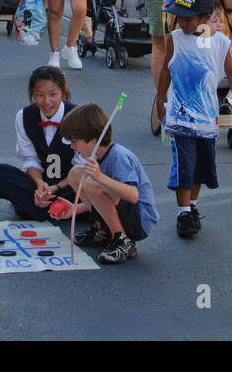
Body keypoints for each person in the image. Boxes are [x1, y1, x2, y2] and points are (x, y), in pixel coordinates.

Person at [157, 0, 232, 238]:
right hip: (181, 118)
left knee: (200, 166)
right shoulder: (175, 39)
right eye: (179, 19)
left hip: (208, 119)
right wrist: (160, 99)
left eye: (187, 19)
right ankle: (183, 212)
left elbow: (231, 73)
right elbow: (166, 69)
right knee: (184, 165)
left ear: (205, 19)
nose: (182, 24)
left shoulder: (220, 42)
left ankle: (192, 206)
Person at [60, 102, 159, 265]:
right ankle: (103, 230)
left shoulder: (119, 156)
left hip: (139, 220)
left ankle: (122, 239)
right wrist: (76, 209)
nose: (72, 146)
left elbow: (133, 195)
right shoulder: (98, 156)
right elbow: (104, 198)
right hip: (125, 210)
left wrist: (100, 177)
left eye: (74, 140)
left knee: (92, 183)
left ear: (92, 140)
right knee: (75, 174)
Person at [0, 66, 79, 221]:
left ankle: (34, 208)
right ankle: (51, 208)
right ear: (32, 94)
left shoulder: (77, 116)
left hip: (69, 186)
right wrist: (40, 183)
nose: (46, 102)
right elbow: (30, 159)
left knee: (93, 189)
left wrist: (56, 188)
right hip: (40, 186)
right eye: (39, 95)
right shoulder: (23, 116)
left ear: (64, 92)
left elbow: (82, 167)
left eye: (53, 94)